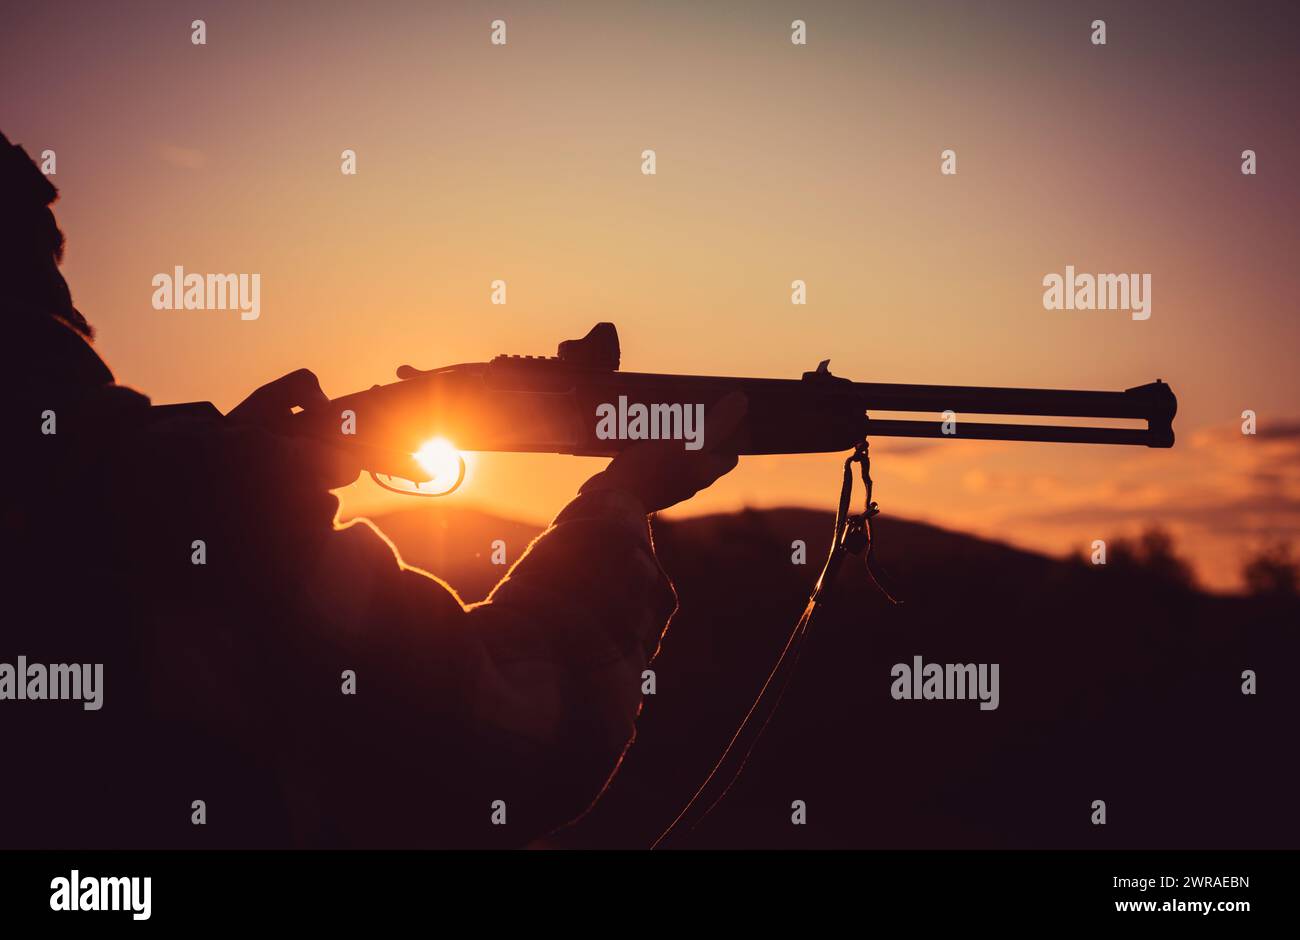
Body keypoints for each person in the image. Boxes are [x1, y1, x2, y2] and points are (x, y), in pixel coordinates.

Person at [0, 131, 743, 847]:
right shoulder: (166, 499)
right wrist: (625, 498)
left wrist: (264, 460)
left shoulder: (121, 477)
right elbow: (524, 737)